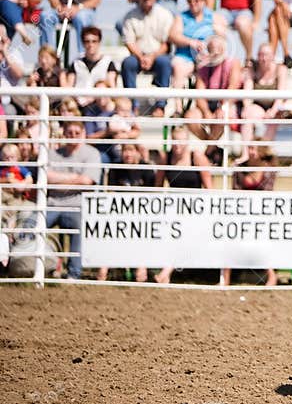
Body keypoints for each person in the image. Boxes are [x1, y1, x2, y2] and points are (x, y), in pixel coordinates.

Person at [152, 125, 214, 284]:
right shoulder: (166, 158)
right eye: (174, 141)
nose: (177, 145)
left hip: (196, 209)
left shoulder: (197, 157)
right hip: (173, 210)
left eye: (180, 141)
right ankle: (165, 272)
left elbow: (209, 188)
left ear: (187, 142)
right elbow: (157, 187)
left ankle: (166, 272)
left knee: (187, 235)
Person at [46, 119, 102, 279]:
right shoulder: (52, 153)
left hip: (77, 206)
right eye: (69, 133)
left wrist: (59, 180)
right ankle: (33, 269)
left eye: (77, 133)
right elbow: (47, 177)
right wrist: (76, 178)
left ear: (83, 133)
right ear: (64, 134)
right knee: (32, 225)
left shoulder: (91, 153)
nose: (73, 136)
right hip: (52, 204)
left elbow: (87, 181)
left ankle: (73, 274)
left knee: (79, 227)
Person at [100, 141, 156, 283]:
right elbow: (110, 192)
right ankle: (103, 270)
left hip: (142, 214)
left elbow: (152, 196)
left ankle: (141, 268)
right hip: (119, 213)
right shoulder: (115, 168)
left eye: (131, 150)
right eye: (125, 150)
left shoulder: (147, 169)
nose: (127, 154)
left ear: (138, 152)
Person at [121, 0, 173, 115]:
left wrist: (151, 56)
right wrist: (141, 57)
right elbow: (129, 42)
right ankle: (133, 105)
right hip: (138, 55)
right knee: (128, 64)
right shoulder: (130, 16)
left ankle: (160, 106)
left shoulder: (165, 15)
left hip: (157, 55)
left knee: (164, 62)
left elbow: (166, 44)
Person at [184, 35, 244, 157]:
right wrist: (206, 111)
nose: (215, 52)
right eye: (212, 48)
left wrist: (221, 107)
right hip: (207, 105)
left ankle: (207, 152)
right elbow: (199, 92)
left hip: (226, 103)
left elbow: (233, 87)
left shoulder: (233, 63)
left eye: (218, 48)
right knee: (190, 117)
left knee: (221, 117)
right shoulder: (203, 67)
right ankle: (213, 148)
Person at [232, 145, 278, 286]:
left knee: (262, 242)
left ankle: (271, 276)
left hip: (261, 214)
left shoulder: (269, 169)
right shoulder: (239, 168)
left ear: (261, 152)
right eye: (249, 148)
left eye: (254, 149)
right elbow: (235, 190)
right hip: (242, 213)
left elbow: (268, 191)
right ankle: (225, 278)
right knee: (229, 238)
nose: (251, 152)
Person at [169, 0, 226, 91]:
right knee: (179, 68)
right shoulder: (181, 17)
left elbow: (222, 36)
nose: (193, 3)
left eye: (196, 0)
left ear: (203, 1)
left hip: (207, 58)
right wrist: (191, 42)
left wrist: (208, 46)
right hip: (185, 57)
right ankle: (178, 105)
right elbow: (173, 36)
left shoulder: (212, 17)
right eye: (190, 1)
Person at [241, 42, 290, 151]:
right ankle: (246, 155)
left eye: (267, 55)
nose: (263, 58)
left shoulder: (281, 69)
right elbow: (247, 94)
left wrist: (272, 111)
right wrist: (247, 107)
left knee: (273, 120)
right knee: (247, 116)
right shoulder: (252, 69)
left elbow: (281, 95)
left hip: (276, 108)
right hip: (258, 107)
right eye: (260, 55)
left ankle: (263, 154)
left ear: (273, 56)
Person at [68, 26, 118, 114]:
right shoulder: (76, 63)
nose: (91, 45)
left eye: (94, 41)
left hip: (100, 106)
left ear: (99, 42)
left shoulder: (108, 62)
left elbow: (111, 88)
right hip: (78, 105)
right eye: (87, 41)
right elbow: (69, 87)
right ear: (83, 43)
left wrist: (92, 98)